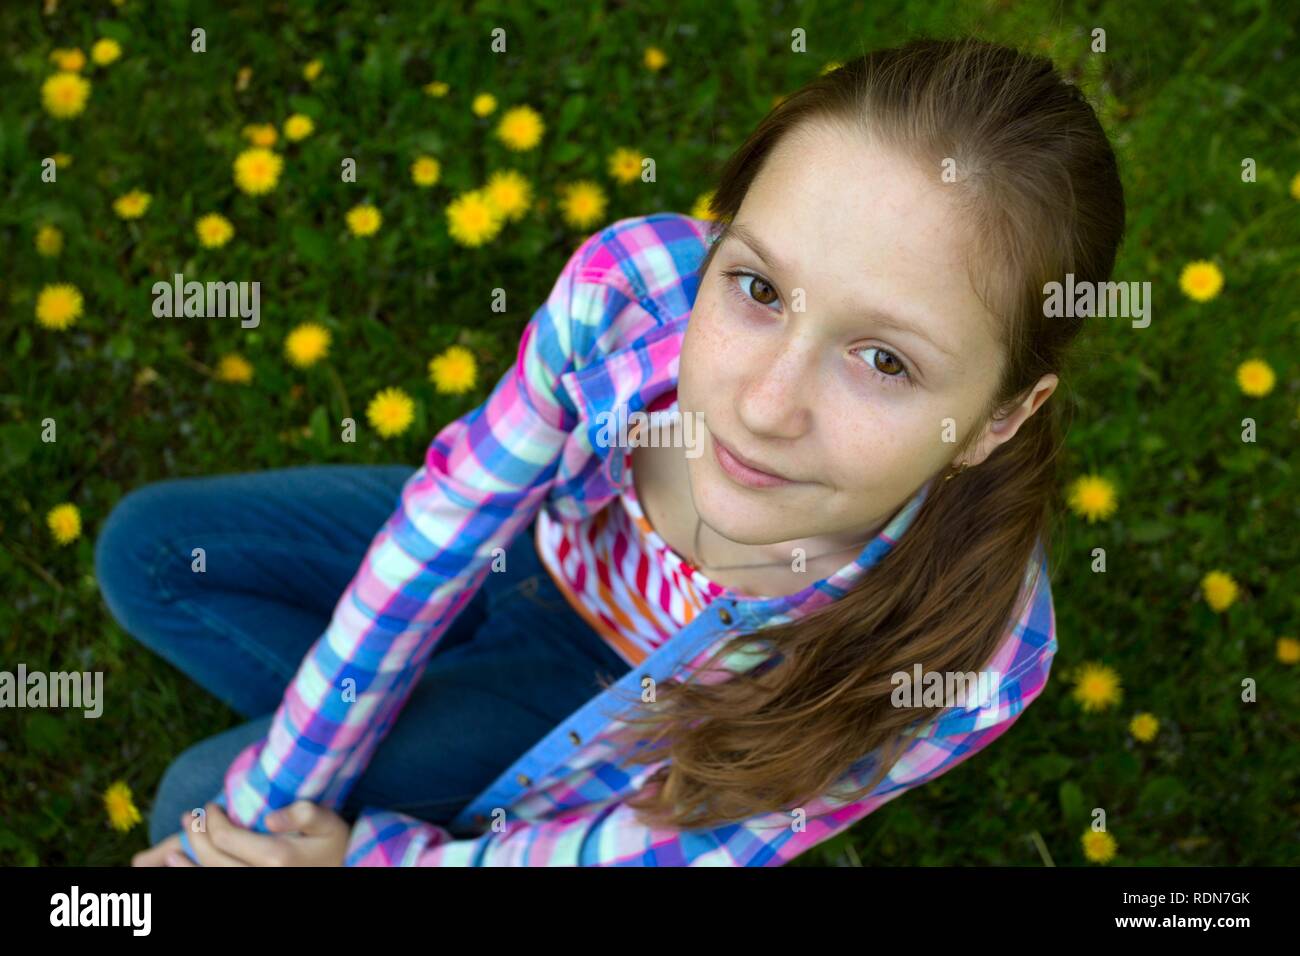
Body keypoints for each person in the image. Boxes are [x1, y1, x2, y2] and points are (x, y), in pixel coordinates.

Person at [101, 36, 1124, 866]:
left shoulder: (977, 659)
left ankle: (443, 744)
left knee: (193, 794)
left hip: (621, 693)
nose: (765, 406)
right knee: (147, 555)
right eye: (758, 288)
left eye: (885, 361)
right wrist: (276, 803)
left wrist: (359, 854)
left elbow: (679, 845)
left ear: (999, 416)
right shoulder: (630, 290)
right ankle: (425, 729)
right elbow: (441, 535)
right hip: (532, 545)